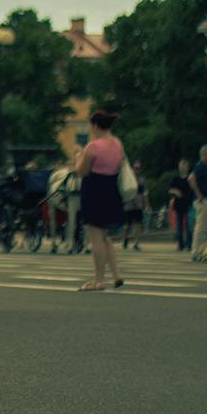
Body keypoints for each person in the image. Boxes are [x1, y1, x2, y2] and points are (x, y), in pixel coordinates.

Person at [73, 110, 127, 291]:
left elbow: (82, 171)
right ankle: (116, 274)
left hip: (94, 191)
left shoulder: (93, 147)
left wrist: (78, 156)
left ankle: (99, 280)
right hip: (111, 190)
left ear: (95, 126)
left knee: (96, 237)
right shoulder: (118, 144)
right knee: (105, 237)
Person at [189, 144, 207, 261]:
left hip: (206, 199)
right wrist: (199, 194)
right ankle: (196, 251)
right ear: (204, 155)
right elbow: (191, 178)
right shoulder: (201, 166)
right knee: (201, 227)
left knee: (204, 227)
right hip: (203, 200)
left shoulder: (206, 167)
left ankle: (201, 251)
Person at [167, 159, 195, 252]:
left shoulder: (190, 178)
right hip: (178, 205)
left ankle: (188, 244)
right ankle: (180, 244)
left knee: (189, 225)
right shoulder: (176, 179)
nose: (183, 167)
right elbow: (170, 190)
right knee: (179, 226)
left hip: (188, 203)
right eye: (181, 165)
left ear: (187, 167)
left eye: (185, 165)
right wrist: (176, 192)